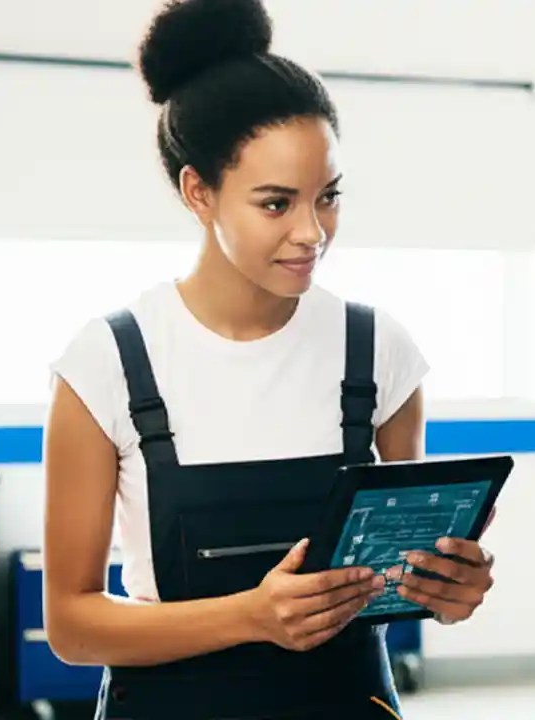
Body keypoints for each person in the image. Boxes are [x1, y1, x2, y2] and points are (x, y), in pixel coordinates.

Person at [40, 1, 497, 716]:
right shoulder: (108, 363)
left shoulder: (379, 350)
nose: (313, 232)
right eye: (277, 204)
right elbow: (71, 624)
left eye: (328, 197)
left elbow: (402, 576)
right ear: (199, 192)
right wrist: (250, 617)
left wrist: (448, 591)